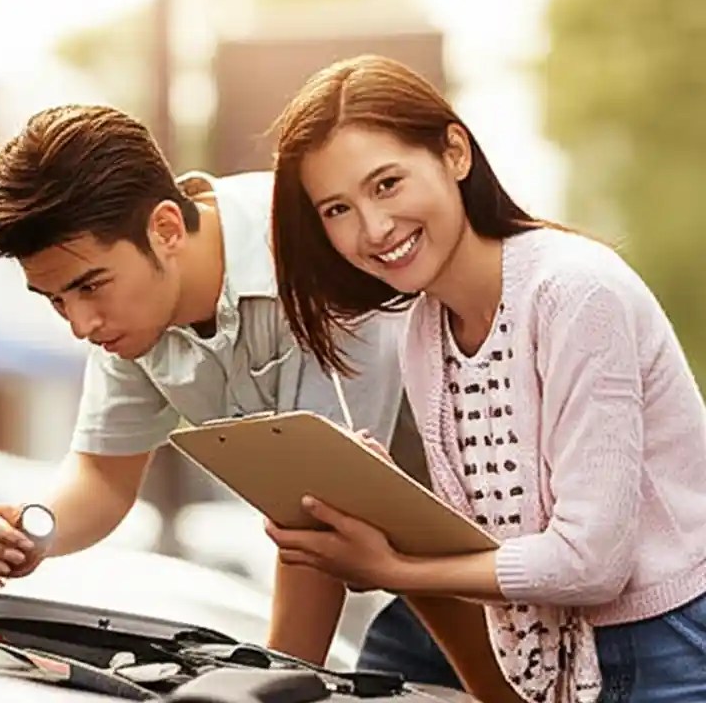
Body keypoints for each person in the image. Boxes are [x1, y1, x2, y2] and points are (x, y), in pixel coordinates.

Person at [265, 53, 706, 702]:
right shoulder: (423, 331)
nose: (373, 229)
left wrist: (393, 568)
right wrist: (385, 503)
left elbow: (592, 563)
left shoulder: (575, 294)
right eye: (337, 209)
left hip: (668, 646)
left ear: (454, 153)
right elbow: (501, 536)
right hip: (557, 660)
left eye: (386, 184)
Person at [0, 103, 459, 683]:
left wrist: (271, 682)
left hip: (512, 558)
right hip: (412, 589)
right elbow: (103, 477)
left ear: (166, 229)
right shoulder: (132, 318)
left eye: (90, 286)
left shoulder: (312, 250)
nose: (79, 323)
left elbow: (325, 506)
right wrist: (33, 530)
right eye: (55, 300)